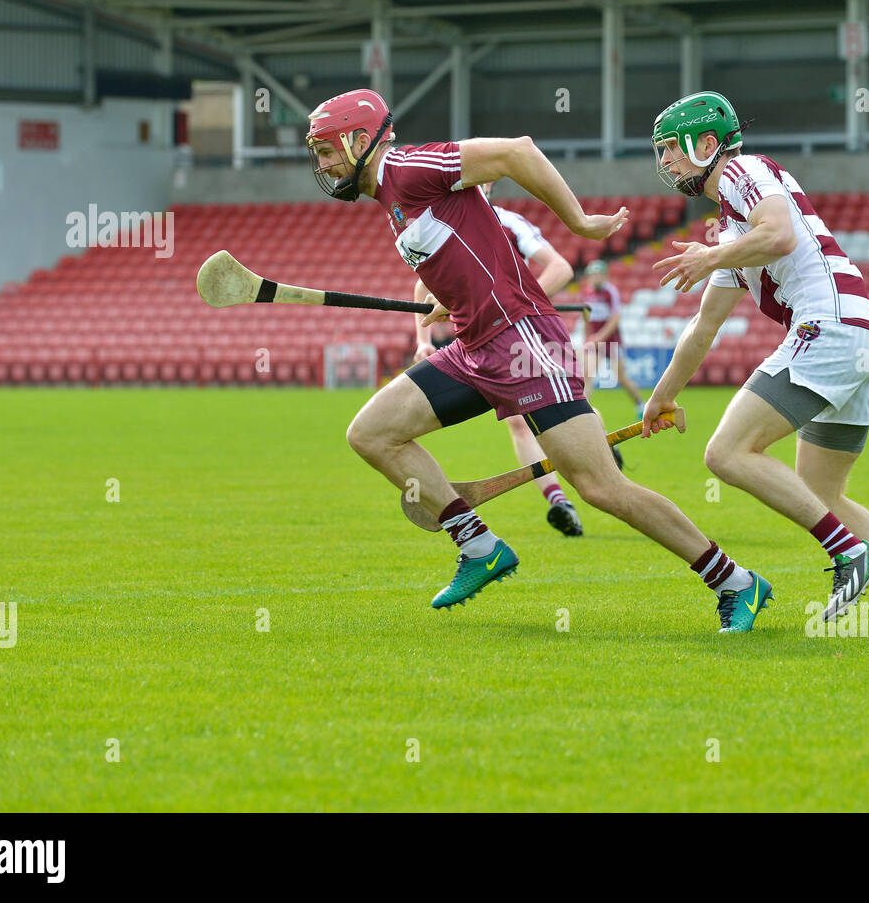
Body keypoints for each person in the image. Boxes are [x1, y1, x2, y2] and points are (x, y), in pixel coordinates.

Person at [306, 89, 770, 632]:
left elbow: (518, 152)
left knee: (599, 487)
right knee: (372, 432)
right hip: (475, 346)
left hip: (525, 342)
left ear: (362, 140)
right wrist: (453, 297)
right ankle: (478, 544)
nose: (323, 163)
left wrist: (577, 222)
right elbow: (469, 250)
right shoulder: (391, 197)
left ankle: (736, 581)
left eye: (327, 149)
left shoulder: (408, 166)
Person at [642, 91, 869, 631]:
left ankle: (849, 554)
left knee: (726, 453)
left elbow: (780, 236)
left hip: (829, 327)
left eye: (670, 148)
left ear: (706, 144)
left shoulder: (743, 171)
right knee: (824, 493)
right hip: (865, 339)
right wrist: (663, 395)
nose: (664, 161)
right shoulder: (734, 229)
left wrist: (709, 254)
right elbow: (702, 327)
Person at [413, 183, 585, 537]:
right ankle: (557, 500)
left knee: (555, 419)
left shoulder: (509, 222)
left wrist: (506, 304)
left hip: (528, 335)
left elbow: (560, 268)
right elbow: (423, 288)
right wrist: (422, 339)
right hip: (485, 342)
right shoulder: (440, 227)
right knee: (520, 423)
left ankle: (594, 437)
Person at [579, 260, 645, 428]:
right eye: (593, 275)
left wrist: (599, 337)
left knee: (622, 379)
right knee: (588, 376)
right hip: (595, 342)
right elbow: (586, 318)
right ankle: (583, 414)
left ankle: (640, 404)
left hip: (612, 342)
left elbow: (615, 319)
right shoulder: (587, 293)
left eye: (599, 274)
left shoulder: (611, 292)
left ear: (605, 276)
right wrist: (586, 338)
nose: (596, 278)